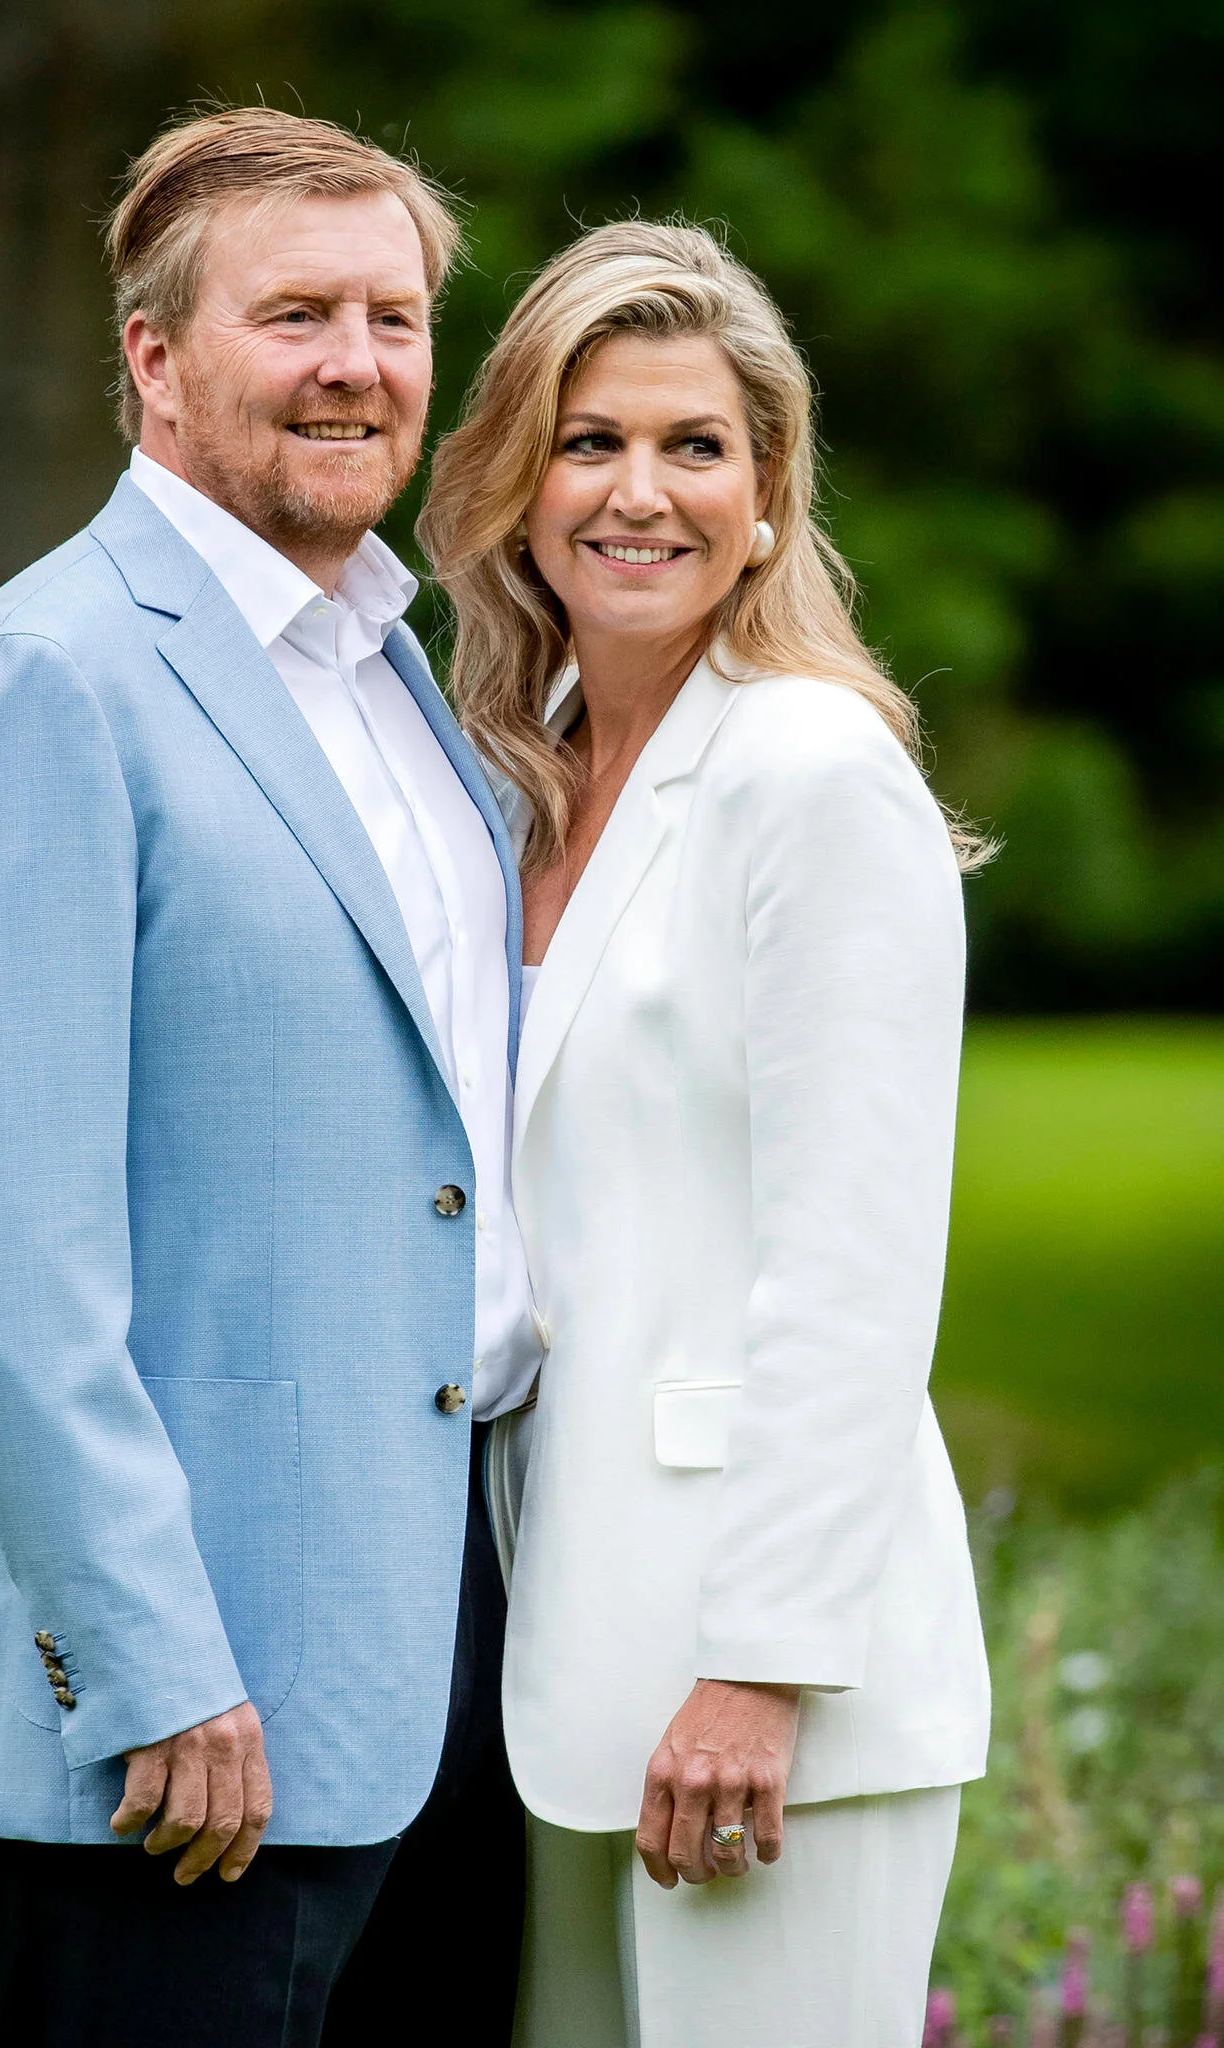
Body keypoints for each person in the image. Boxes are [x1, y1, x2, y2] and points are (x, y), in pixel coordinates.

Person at [0, 107, 538, 2048]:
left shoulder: (395, 677)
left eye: (396, 318)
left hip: (424, 1667)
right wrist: (156, 1665)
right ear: (157, 362)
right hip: (184, 1718)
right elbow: (2, 1250)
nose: (358, 364)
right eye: (297, 314)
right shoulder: (49, 679)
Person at [418, 219, 992, 2047]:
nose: (638, 493)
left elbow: (858, 1262)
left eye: (695, 446)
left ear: (766, 499)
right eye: (589, 442)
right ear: (516, 483)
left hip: (769, 1697)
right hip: (562, 1659)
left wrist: (762, 1667)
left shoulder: (812, 771)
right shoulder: (518, 778)